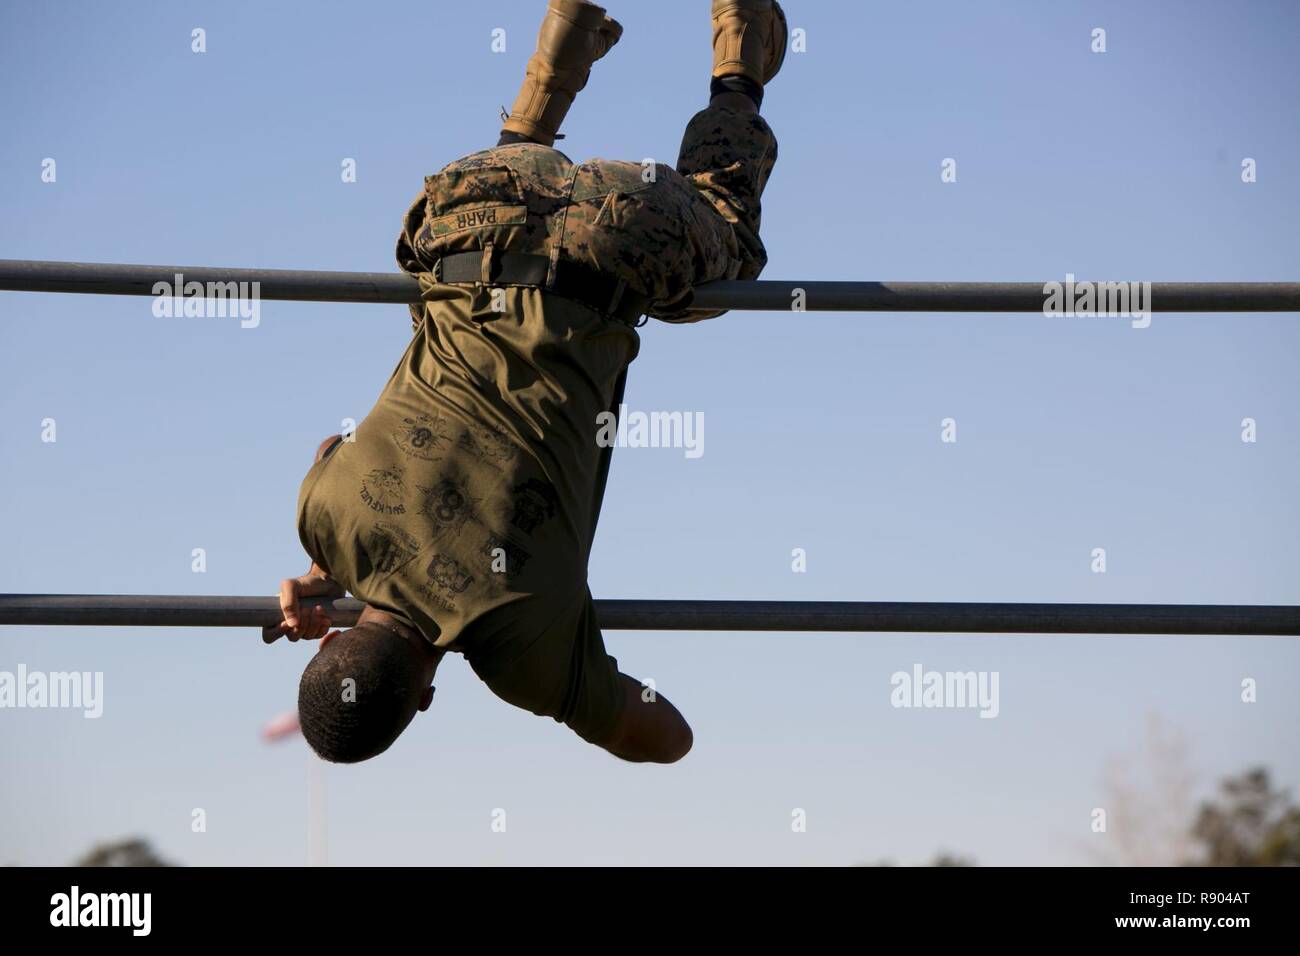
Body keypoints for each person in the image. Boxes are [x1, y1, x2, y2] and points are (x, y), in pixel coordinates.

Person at [268, 0, 784, 764]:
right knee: (437, 287)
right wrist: (327, 565)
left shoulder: (527, 657)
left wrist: (559, 685)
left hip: (624, 230)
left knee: (726, 235)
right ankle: (556, 55)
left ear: (425, 701)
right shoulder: (324, 517)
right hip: (473, 204)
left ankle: (738, 56)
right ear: (333, 638)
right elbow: (329, 450)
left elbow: (669, 740)